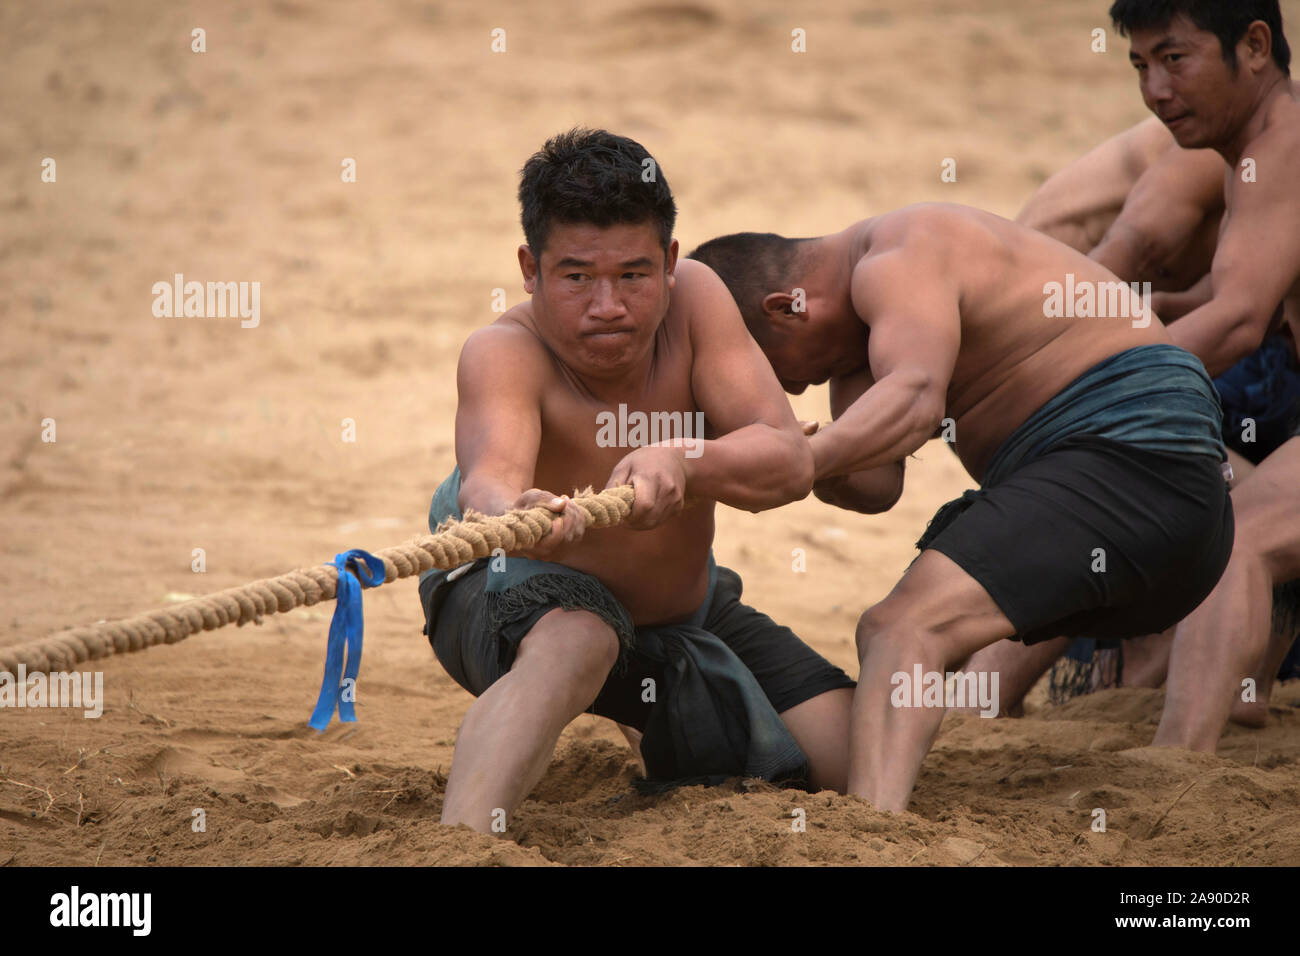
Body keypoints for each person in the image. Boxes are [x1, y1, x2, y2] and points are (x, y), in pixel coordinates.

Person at [690, 201, 1232, 812]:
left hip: (1137, 458)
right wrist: (792, 445)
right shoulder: (858, 359)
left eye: (768, 371)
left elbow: (918, 399)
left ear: (787, 308)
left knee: (900, 626)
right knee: (907, 625)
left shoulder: (902, 249)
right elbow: (875, 488)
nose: (786, 391)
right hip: (1150, 519)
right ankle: (877, 811)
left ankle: (872, 829)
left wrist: (795, 459)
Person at [419, 129, 855, 834]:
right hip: (512, 589)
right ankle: (464, 841)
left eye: (633, 274)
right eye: (576, 277)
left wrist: (685, 459)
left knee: (846, 758)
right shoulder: (502, 351)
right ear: (530, 269)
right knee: (580, 639)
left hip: (679, 607)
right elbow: (489, 486)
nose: (608, 305)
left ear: (672, 262)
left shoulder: (699, 302)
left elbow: (788, 459)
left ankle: (649, 713)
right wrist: (521, 511)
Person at [1106, 0, 1300, 749]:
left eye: (1175, 59)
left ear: (1255, 46)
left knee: (1241, 532)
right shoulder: (1255, 150)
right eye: (1139, 67)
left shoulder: (1279, 147)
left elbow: (1239, 321)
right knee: (1176, 471)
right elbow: (1247, 303)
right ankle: (1241, 678)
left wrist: (1097, 384)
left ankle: (1175, 765)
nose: (1155, 90)